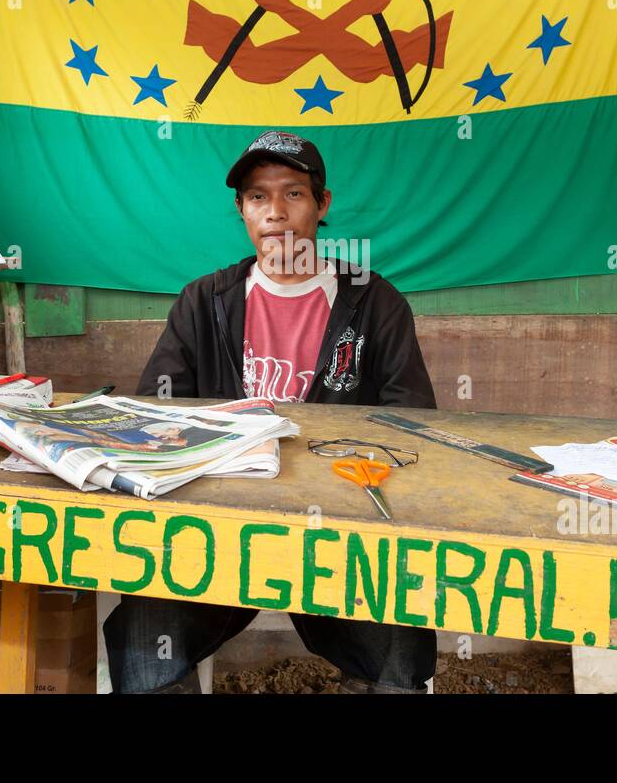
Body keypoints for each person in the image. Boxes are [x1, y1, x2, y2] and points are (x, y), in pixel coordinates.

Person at [103, 129, 437, 693]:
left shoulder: (373, 301)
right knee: (143, 638)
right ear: (241, 209)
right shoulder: (204, 301)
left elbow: (416, 425)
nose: (276, 214)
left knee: (401, 649)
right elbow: (155, 419)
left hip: (337, 538)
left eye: (294, 194)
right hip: (216, 535)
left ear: (322, 203)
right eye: (258, 197)